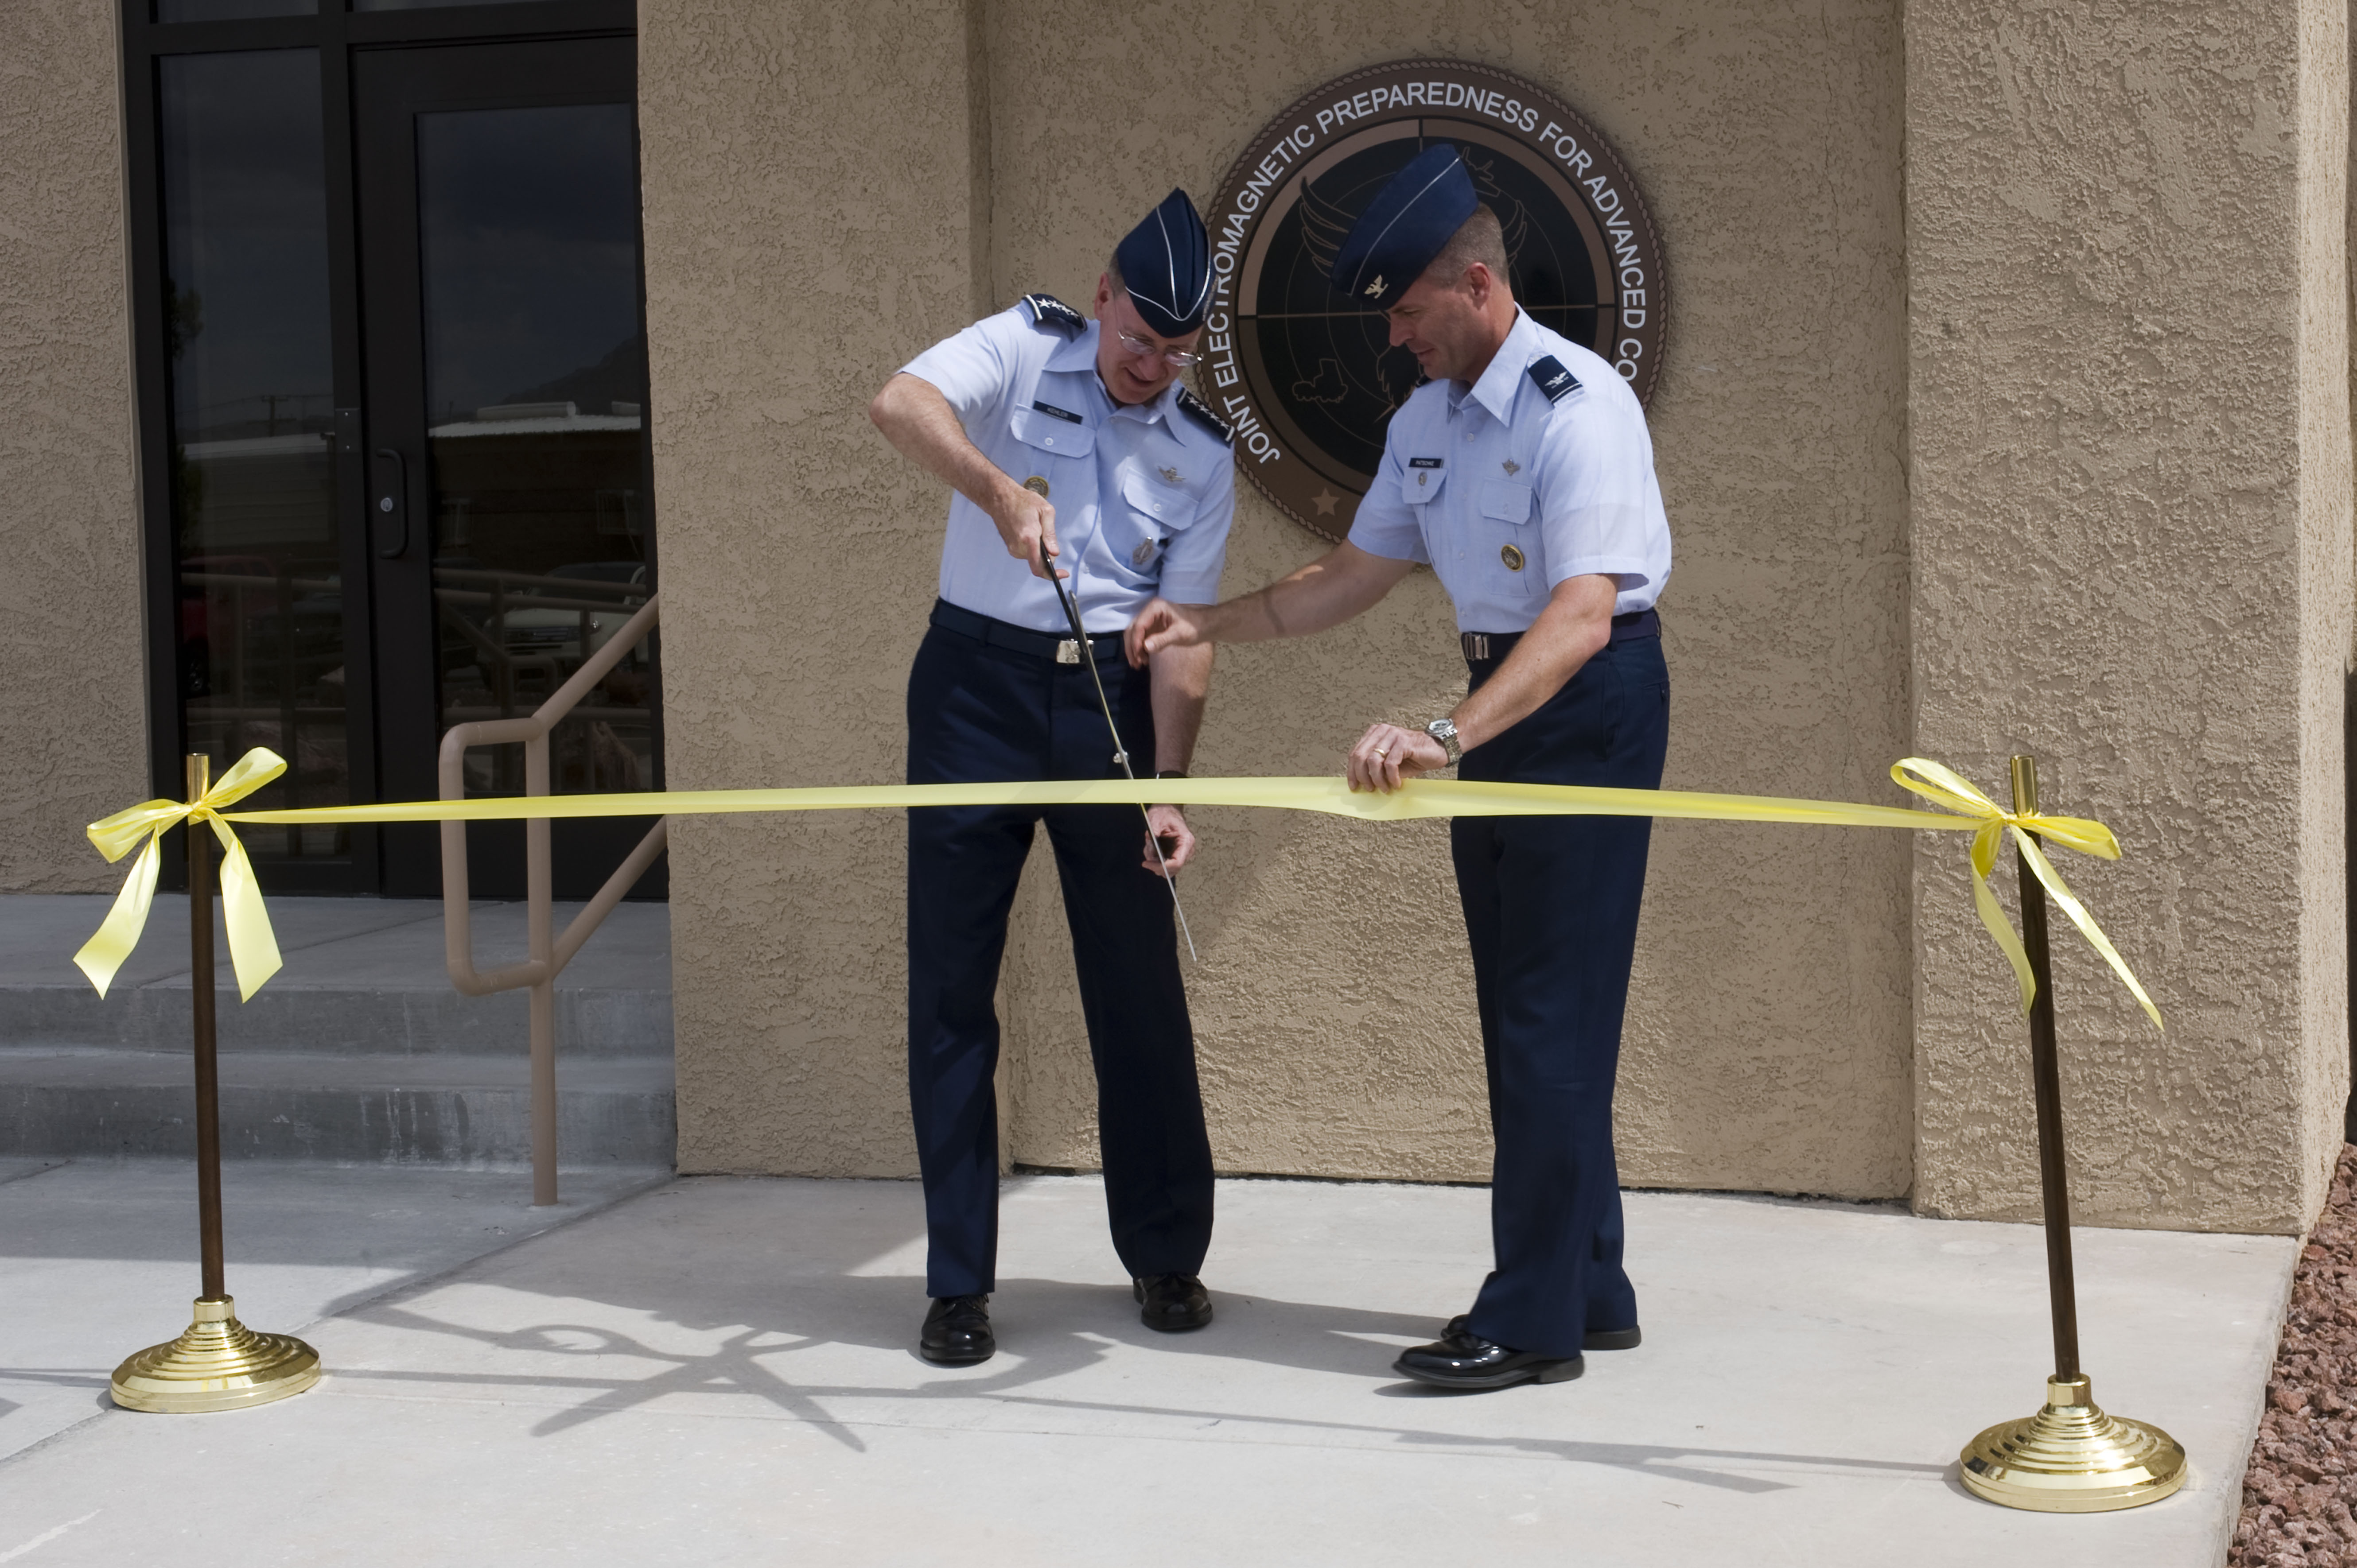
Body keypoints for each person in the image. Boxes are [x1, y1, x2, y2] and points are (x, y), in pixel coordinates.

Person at [1126, 146, 1672, 1390]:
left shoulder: (1575, 405)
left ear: (1475, 283)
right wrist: (1206, 621)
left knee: (1547, 1019)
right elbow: (1347, 578)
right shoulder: (1426, 420)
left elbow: (1585, 614)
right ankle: (1591, 1279)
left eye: (1409, 309)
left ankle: (1529, 1320)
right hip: (1502, 706)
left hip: (1585, 707)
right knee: (1530, 1014)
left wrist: (1448, 735)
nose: (1394, 336)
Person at [868, 189, 1236, 1366]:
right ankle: (959, 1282)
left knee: (1136, 985)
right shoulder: (1022, 345)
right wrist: (995, 487)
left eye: (1177, 352)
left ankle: (1168, 1253)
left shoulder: (1201, 451)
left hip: (1105, 709)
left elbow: (1184, 634)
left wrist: (1168, 787)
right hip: (973, 688)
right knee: (953, 986)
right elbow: (900, 401)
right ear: (1102, 301)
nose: (1152, 367)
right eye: (1139, 339)